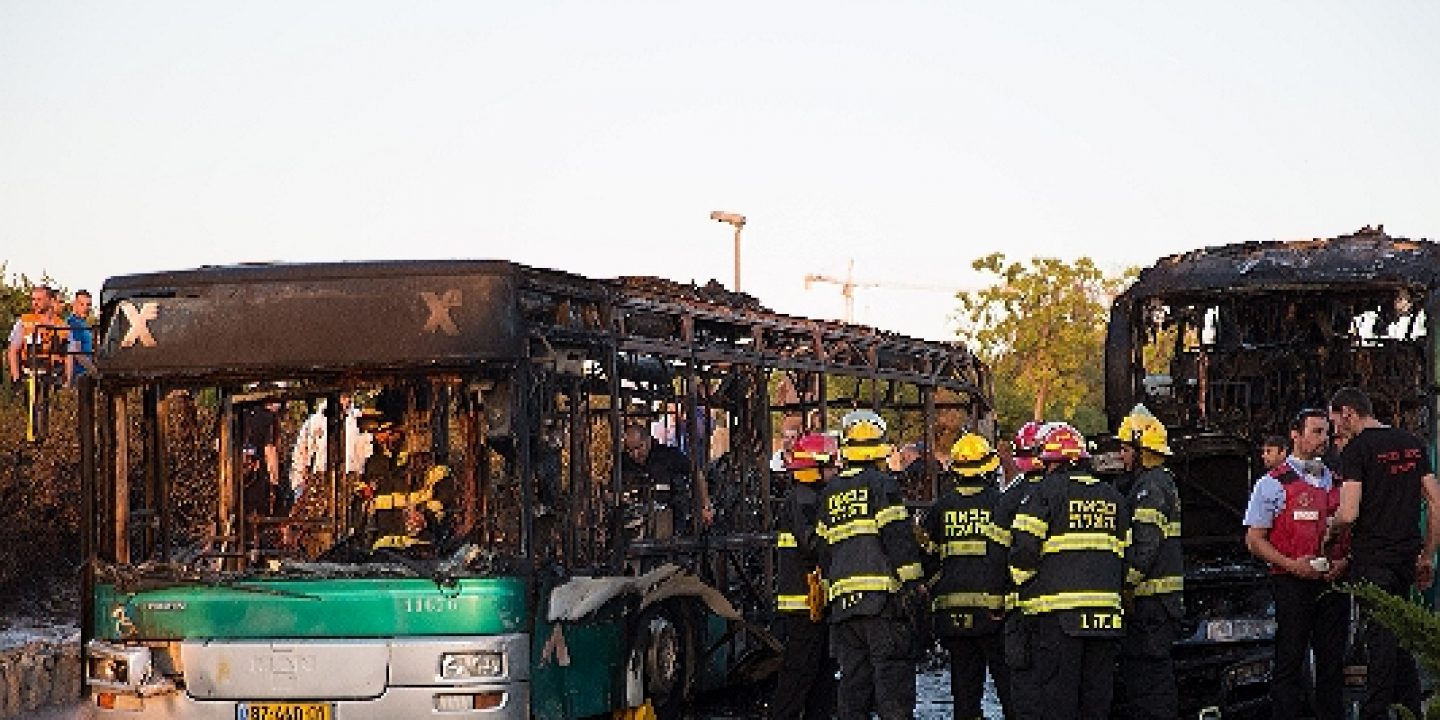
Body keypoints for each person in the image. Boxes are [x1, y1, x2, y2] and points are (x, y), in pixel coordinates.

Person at [1327, 386, 1440, 719]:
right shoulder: (1413, 444)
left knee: (1380, 638)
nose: (1336, 431)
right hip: (1407, 556)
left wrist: (1328, 532)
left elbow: (1348, 514)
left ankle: (1375, 713)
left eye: (1335, 423)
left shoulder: (1357, 451)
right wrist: (1427, 554)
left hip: (1373, 558)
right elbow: (1435, 502)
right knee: (1402, 633)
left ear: (1348, 412)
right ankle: (1410, 709)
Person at [1007, 422, 1129, 720]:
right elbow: (1128, 553)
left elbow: (1024, 548)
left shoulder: (1044, 493)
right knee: (1096, 700)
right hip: (1105, 617)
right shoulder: (1113, 497)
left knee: (1058, 701)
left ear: (1049, 462)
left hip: (1057, 618)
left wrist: (1023, 583)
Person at [816, 409, 924, 720]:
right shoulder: (881, 485)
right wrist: (914, 583)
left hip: (844, 608)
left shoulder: (830, 493)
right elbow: (897, 539)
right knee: (892, 686)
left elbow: (824, 549)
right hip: (881, 604)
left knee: (853, 687)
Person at [1242, 408, 1350, 720]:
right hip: (1291, 583)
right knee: (1289, 661)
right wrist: (1291, 565)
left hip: (1333, 583)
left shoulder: (1340, 485)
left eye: (1326, 433)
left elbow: (1355, 535)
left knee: (1332, 665)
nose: (1323, 440)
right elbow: (1254, 539)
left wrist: (1344, 562)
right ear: (1295, 434)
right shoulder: (1271, 484)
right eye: (1316, 432)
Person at [921, 433, 1013, 720]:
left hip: (953, 614)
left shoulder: (940, 509)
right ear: (988, 468)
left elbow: (926, 559)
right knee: (1009, 690)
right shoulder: (1002, 505)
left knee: (964, 690)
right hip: (995, 614)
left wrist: (938, 589)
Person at [1113, 404, 1183, 720]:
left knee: (1151, 683)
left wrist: (1125, 585)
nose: (1122, 456)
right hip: (1154, 603)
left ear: (1143, 452)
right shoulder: (1153, 482)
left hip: (1152, 603)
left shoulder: (1152, 486)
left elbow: (1145, 544)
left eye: (1127, 449)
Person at [769, 432, 839, 720]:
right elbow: (813, 544)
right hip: (804, 604)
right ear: (818, 466)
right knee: (799, 675)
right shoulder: (804, 499)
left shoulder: (810, 496)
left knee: (821, 676)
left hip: (815, 602)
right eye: (833, 464)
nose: (837, 471)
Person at [7, 285, 66, 386]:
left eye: (39, 299)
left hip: (55, 376)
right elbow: (13, 351)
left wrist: (67, 382)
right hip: (30, 374)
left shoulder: (62, 325)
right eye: (33, 299)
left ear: (51, 301)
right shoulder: (24, 321)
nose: (35, 303)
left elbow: (68, 356)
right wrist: (16, 378)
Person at [64, 289, 97, 386]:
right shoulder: (73, 322)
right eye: (82, 304)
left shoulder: (83, 323)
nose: (86, 308)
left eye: (88, 305)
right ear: (74, 304)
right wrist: (94, 370)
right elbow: (76, 352)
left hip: (85, 373)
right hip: (79, 376)